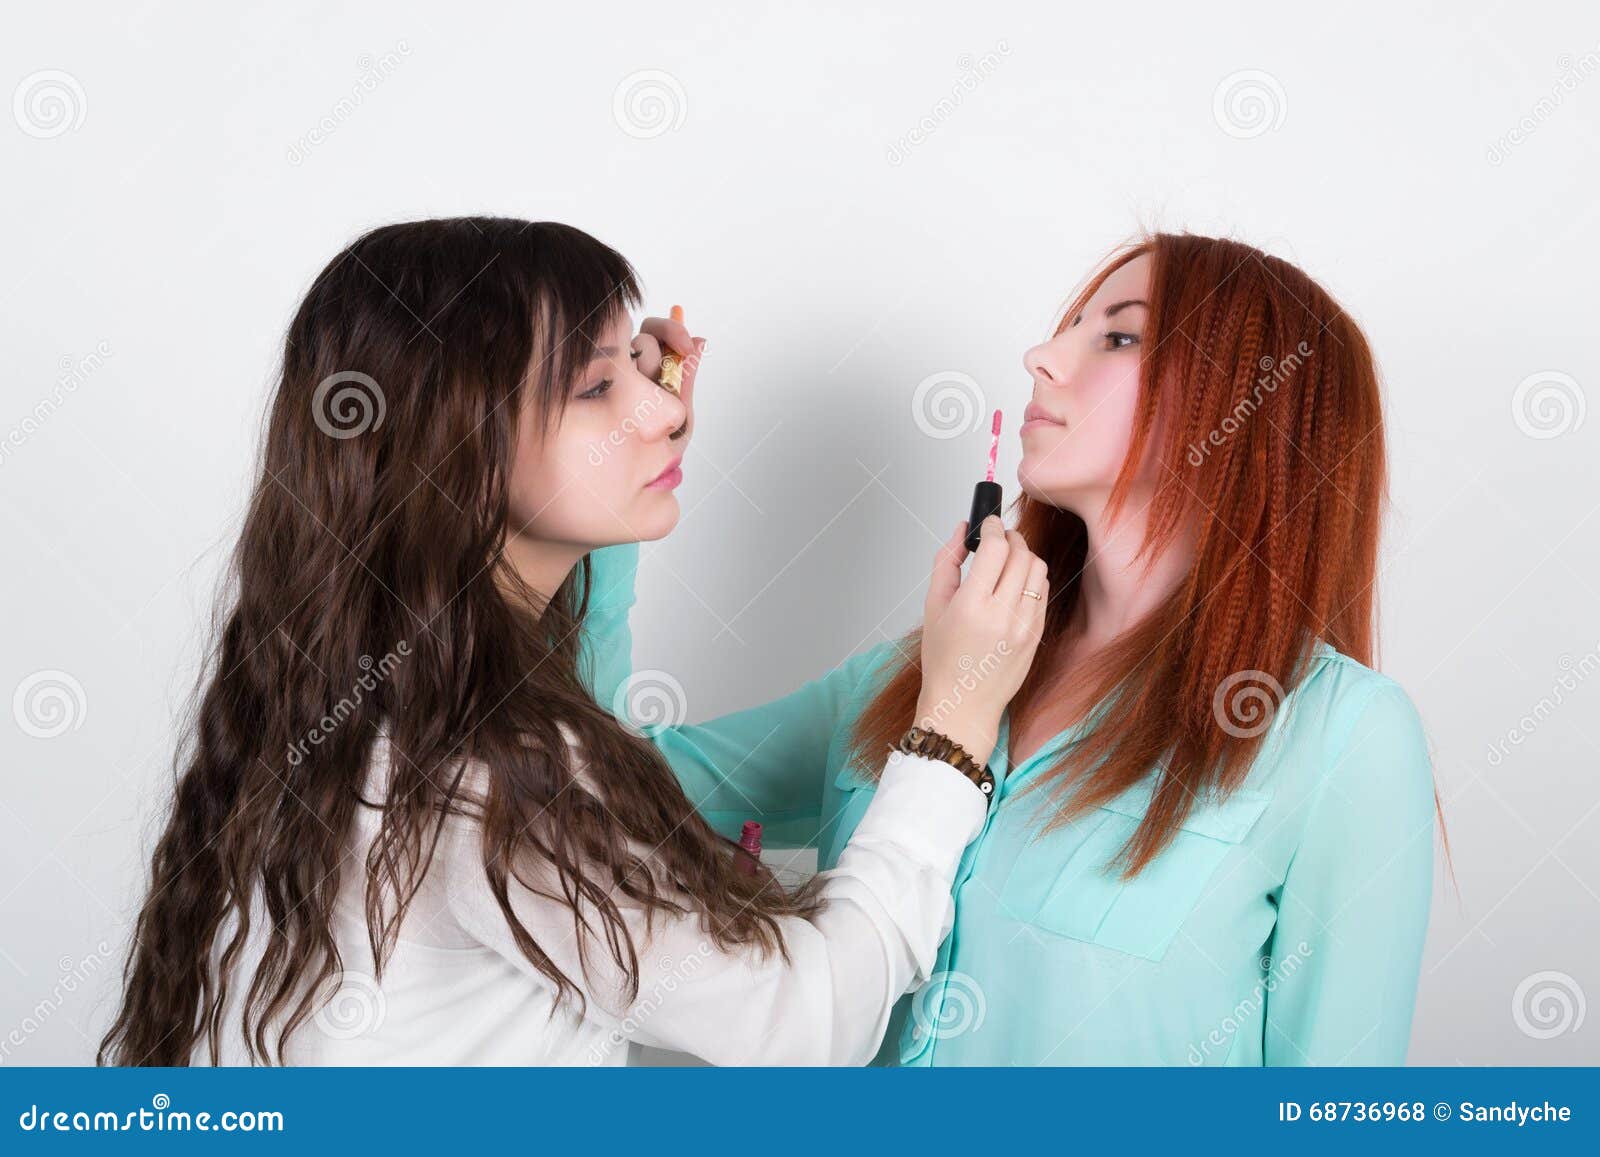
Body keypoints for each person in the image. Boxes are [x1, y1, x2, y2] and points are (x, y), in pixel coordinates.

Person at [97, 216, 1046, 1067]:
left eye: (639, 365)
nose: (666, 406)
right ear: (455, 449)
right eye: (596, 386)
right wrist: (953, 728)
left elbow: (564, 689)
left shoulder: (345, 691)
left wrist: (622, 472)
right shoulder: (492, 772)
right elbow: (802, 1023)